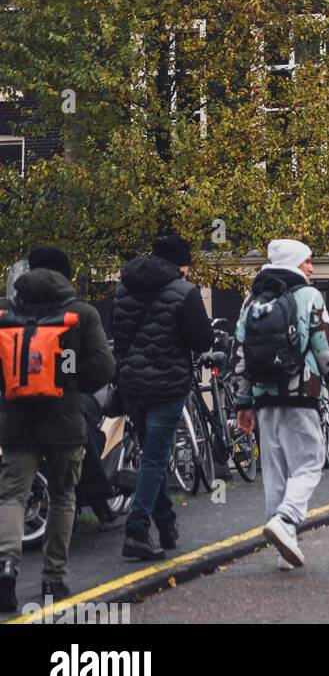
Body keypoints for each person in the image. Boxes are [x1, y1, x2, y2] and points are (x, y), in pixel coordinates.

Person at [0, 246, 115, 612]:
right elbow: (104, 368)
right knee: (64, 496)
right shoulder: (80, 314)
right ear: (65, 275)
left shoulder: (7, 313)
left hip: (16, 419)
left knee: (12, 497)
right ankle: (53, 579)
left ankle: (6, 568)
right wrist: (68, 379)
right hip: (65, 419)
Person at [231, 238, 329, 570]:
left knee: (276, 472)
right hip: (301, 395)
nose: (312, 267)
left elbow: (239, 352)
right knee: (311, 462)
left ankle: (284, 544)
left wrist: (242, 402)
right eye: (308, 261)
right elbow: (326, 348)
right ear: (295, 263)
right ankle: (287, 519)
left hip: (264, 400)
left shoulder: (253, 300)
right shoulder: (309, 297)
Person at [112, 233, 213, 562]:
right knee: (156, 459)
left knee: (151, 456)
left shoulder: (123, 288)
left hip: (131, 387)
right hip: (167, 387)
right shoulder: (184, 292)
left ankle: (167, 526)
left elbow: (120, 334)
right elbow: (202, 340)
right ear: (181, 264)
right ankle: (137, 530)